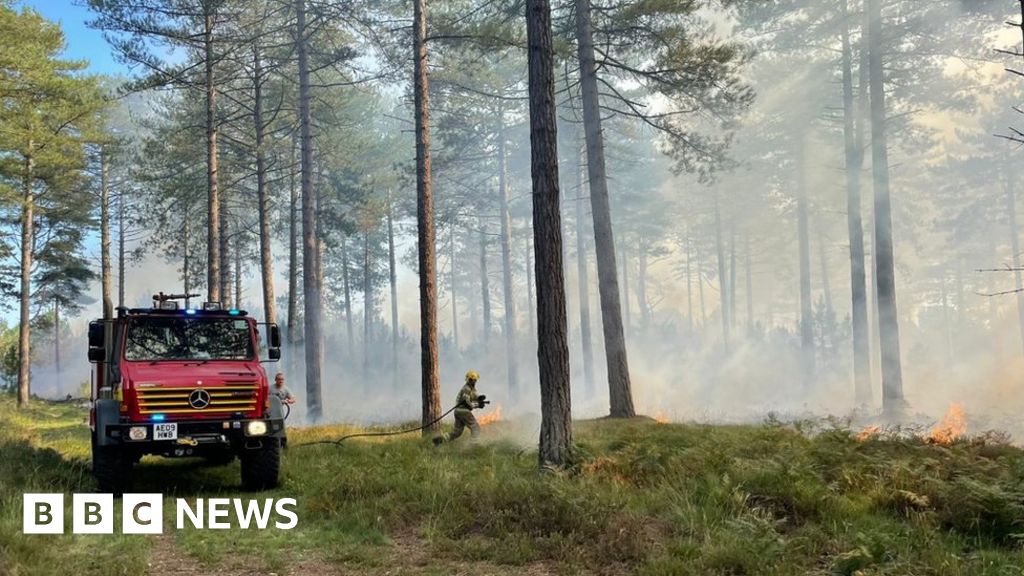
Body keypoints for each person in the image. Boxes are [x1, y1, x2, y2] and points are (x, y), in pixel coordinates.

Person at [433, 370, 486, 445]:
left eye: (474, 380)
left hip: (458, 412)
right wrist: (478, 405)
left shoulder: (471, 388)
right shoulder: (466, 389)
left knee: (457, 432)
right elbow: (467, 402)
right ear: (468, 380)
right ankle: (473, 445)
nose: (473, 381)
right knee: (475, 428)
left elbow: (474, 395)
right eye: (471, 380)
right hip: (463, 411)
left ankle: (440, 440)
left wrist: (479, 399)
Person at [272, 372, 295, 448]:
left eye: (282, 379)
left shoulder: (286, 389)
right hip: (270, 411)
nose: (281, 381)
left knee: (281, 427)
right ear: (275, 380)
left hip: (280, 412)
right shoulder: (270, 389)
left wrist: (287, 401)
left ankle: (283, 445)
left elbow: (293, 399)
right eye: (279, 379)